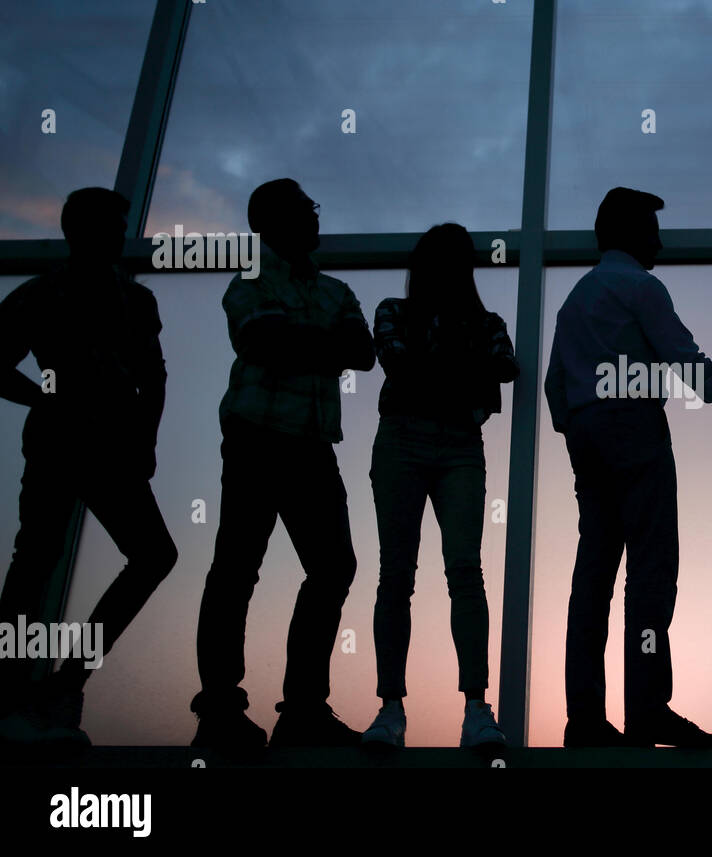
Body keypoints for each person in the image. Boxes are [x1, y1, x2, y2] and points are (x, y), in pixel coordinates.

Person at [544, 186, 712, 749]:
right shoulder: (642, 287)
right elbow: (691, 368)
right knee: (651, 572)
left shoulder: (575, 299)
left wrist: (579, 427)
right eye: (651, 228)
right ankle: (647, 711)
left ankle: (585, 718)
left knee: (593, 576)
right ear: (629, 233)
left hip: (588, 434)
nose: (659, 239)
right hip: (633, 428)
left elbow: (553, 388)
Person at [190, 179, 375, 751]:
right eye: (304, 208)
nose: (315, 215)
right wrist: (320, 341)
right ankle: (221, 710)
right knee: (237, 567)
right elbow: (263, 341)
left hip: (312, 446)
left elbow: (362, 354)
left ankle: (301, 711)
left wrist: (297, 337)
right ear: (271, 220)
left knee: (332, 567)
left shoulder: (335, 289)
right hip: (255, 438)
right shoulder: (250, 276)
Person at [0, 187, 177, 746]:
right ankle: (16, 695)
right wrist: (47, 401)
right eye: (110, 225)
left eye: (121, 225)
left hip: (111, 444)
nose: (119, 236)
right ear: (78, 230)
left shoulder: (131, 299)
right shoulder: (41, 295)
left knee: (147, 556)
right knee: (37, 561)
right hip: (62, 440)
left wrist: (144, 440)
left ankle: (61, 682)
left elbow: (154, 375)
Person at [361, 223, 519, 751]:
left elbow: (502, 371)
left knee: (459, 571)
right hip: (416, 441)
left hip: (447, 443)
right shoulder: (399, 312)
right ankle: (394, 708)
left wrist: (446, 374)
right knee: (401, 574)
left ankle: (471, 708)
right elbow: (402, 365)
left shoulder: (477, 321)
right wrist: (466, 374)